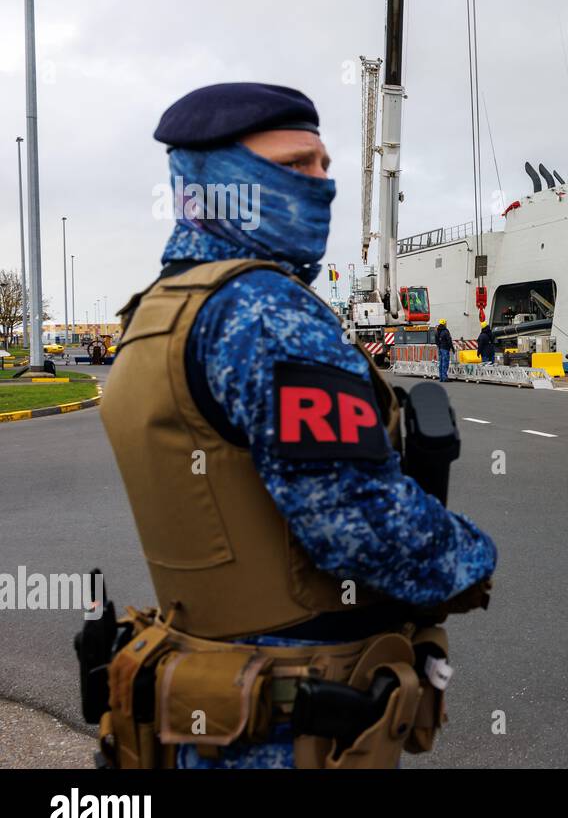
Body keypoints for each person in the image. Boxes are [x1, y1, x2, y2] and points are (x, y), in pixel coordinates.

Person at [98, 83, 496, 769]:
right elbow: (360, 524)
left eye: (324, 164)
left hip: (207, 709)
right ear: (219, 185)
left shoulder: (154, 313)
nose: (322, 184)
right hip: (294, 726)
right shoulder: (266, 312)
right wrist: (473, 563)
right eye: (295, 165)